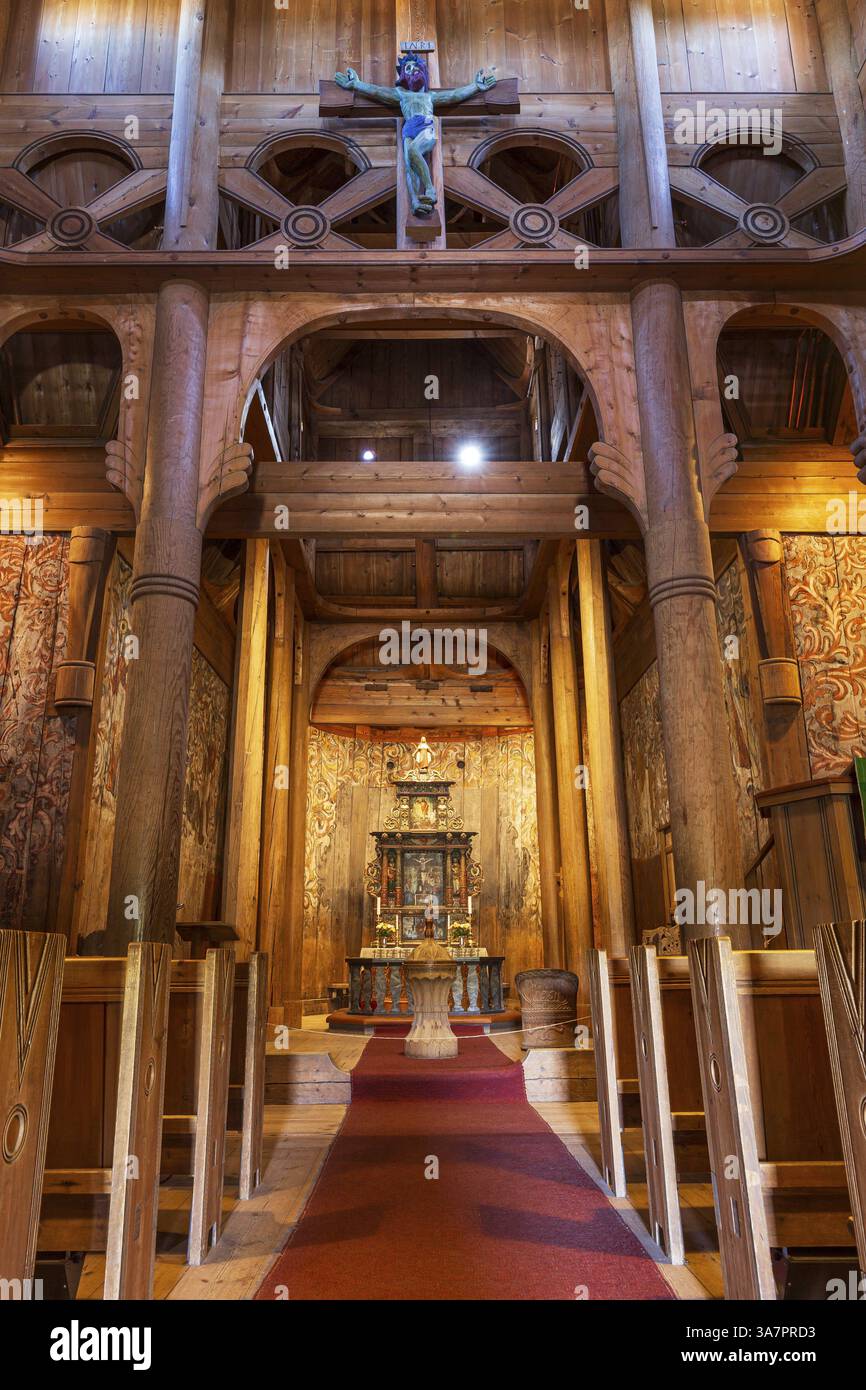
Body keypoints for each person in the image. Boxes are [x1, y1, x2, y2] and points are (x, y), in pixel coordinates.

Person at [335, 52, 496, 217]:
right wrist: (356, 84)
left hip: (425, 125)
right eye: (408, 68)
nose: (412, 70)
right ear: (404, 75)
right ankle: (415, 202)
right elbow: (377, 92)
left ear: (422, 70)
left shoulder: (430, 96)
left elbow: (454, 95)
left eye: (414, 66)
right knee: (409, 165)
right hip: (408, 129)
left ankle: (430, 189)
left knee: (413, 152)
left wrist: (476, 86)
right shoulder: (401, 94)